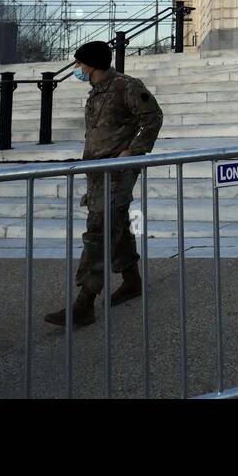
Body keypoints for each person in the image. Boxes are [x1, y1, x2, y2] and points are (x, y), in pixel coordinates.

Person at [45, 41, 164, 328]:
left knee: (98, 232)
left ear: (92, 65)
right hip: (98, 171)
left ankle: (84, 303)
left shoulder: (126, 86)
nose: (77, 68)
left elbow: (153, 117)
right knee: (116, 223)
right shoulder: (95, 92)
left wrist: (133, 150)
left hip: (118, 171)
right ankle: (132, 280)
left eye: (79, 63)